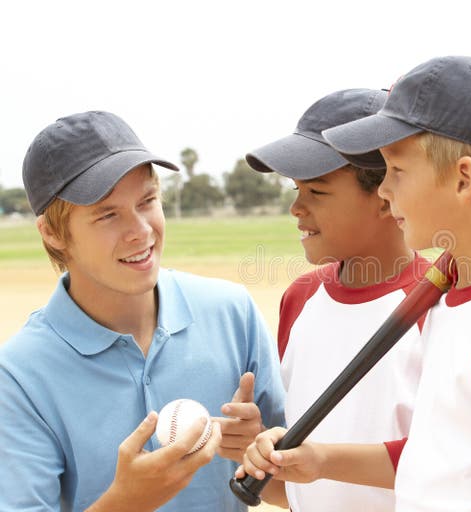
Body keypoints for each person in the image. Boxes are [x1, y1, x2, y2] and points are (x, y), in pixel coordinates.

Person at [240, 56, 471, 511]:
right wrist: (321, 459)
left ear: (464, 179)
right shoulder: (451, 297)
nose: (384, 190)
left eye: (396, 171)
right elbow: (439, 457)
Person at [0, 111, 286, 511]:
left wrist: (262, 451)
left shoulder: (231, 312)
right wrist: (125, 503)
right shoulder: (17, 376)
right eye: (108, 214)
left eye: (147, 201)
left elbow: (303, 488)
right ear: (52, 232)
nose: (142, 231)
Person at [239, 88, 431, 511]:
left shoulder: (437, 310)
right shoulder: (301, 298)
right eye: (296, 189)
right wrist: (252, 452)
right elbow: (303, 492)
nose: (296, 207)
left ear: (387, 196)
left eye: (317, 192)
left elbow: (446, 467)